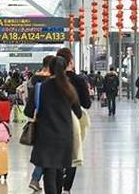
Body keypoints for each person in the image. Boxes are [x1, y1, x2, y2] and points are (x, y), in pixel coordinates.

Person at [24, 57, 82, 194]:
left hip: (45, 137)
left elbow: (28, 111)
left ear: (49, 69)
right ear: (65, 69)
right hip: (65, 137)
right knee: (59, 170)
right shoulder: (69, 88)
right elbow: (78, 113)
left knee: (49, 171)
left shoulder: (40, 88)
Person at [56, 48, 91, 194]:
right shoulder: (78, 80)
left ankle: (57, 186)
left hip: (54, 120)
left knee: (56, 154)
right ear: (70, 62)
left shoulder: (51, 80)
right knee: (73, 152)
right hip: (74, 121)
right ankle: (67, 187)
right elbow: (86, 104)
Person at [26, 55, 55, 192]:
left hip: (38, 121)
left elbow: (28, 109)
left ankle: (36, 179)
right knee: (49, 155)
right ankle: (36, 178)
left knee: (43, 152)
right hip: (53, 123)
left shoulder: (33, 80)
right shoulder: (53, 82)